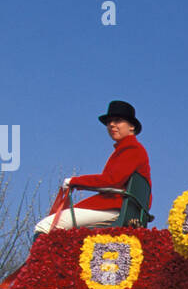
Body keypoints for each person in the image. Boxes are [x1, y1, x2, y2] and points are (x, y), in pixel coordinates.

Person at [34, 100, 151, 234]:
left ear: (132, 127)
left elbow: (111, 181)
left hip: (116, 206)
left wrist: (74, 181)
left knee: (44, 226)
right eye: (109, 122)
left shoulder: (131, 149)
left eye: (118, 120)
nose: (111, 124)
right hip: (122, 206)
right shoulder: (128, 149)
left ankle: (46, 255)